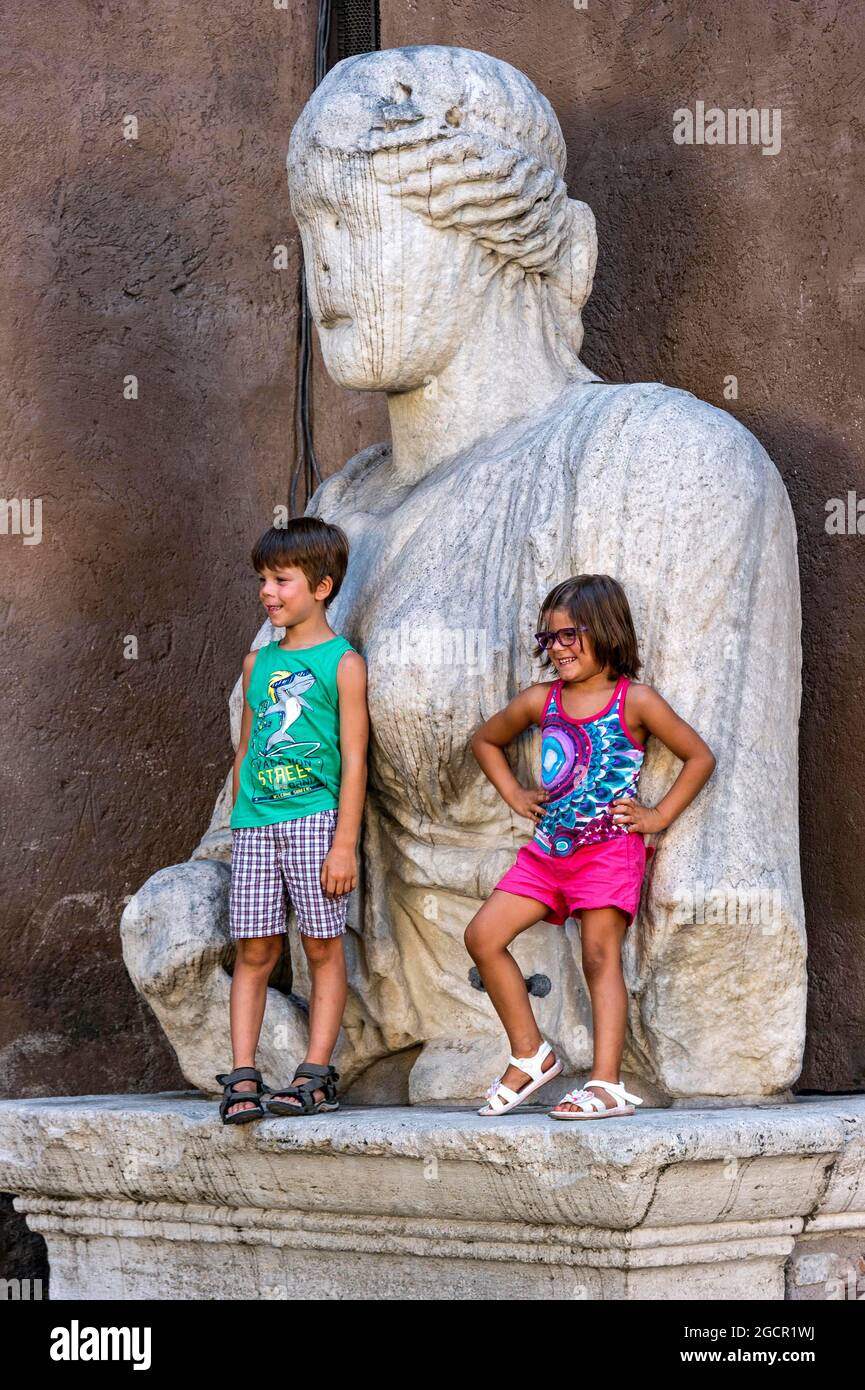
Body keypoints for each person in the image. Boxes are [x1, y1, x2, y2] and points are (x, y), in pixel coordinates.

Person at [466, 574, 716, 1120]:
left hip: (607, 854)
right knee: (482, 936)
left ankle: (606, 1084)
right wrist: (514, 792)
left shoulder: (637, 702)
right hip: (546, 854)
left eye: (569, 636)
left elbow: (700, 757)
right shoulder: (541, 701)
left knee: (600, 958)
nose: (558, 649)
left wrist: (655, 817)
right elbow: (485, 741)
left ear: (605, 630)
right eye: (550, 639)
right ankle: (531, 1054)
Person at [216, 517, 368, 1123]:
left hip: (316, 822)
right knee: (255, 950)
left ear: (322, 586)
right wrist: (236, 822)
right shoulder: (258, 665)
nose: (268, 592)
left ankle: (316, 1073)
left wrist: (345, 844)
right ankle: (244, 1073)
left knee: (322, 947)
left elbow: (356, 758)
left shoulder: (343, 663)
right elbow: (247, 747)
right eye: (262, 579)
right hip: (255, 826)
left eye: (281, 579)